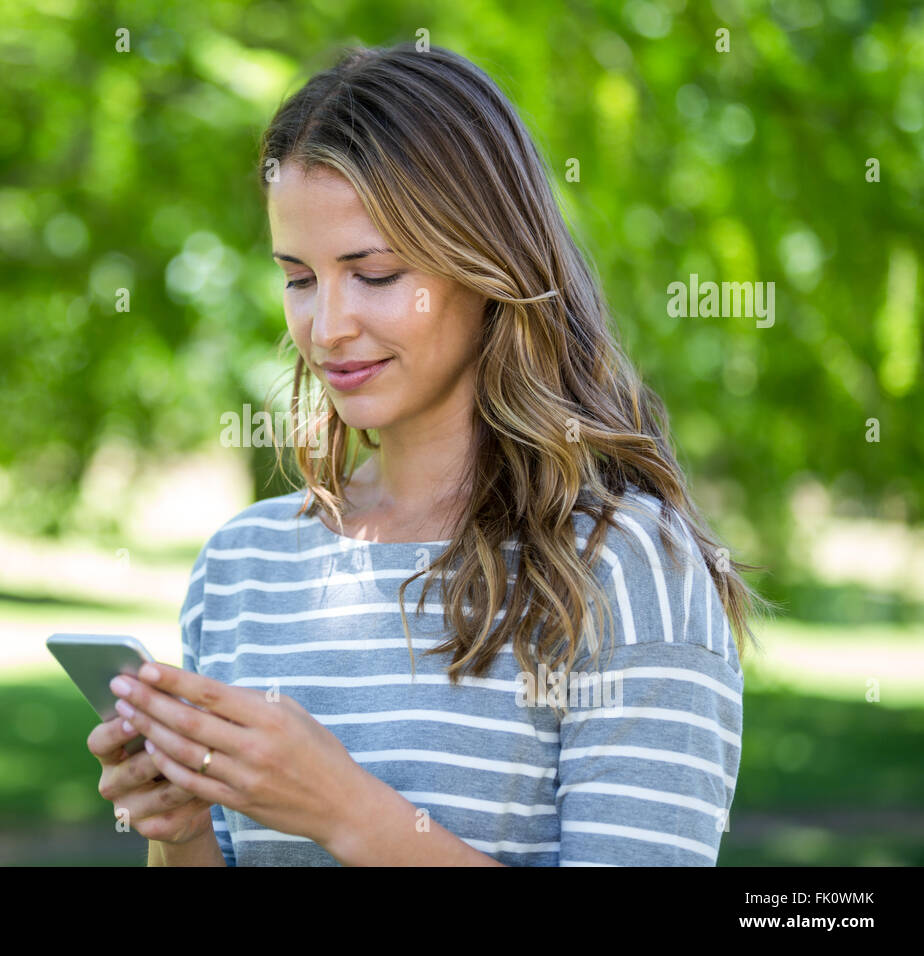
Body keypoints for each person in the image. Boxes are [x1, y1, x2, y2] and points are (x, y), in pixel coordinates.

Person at [88, 42, 769, 866]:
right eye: (299, 277)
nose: (327, 327)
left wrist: (348, 813)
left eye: (373, 273)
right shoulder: (243, 567)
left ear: (488, 265)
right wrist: (185, 830)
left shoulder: (623, 566)